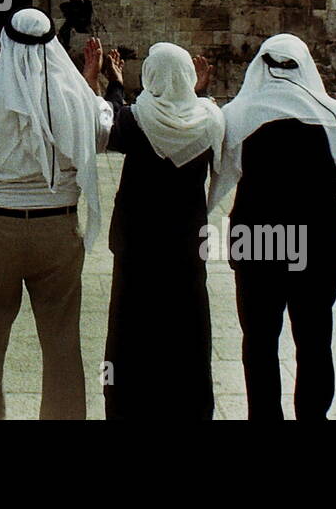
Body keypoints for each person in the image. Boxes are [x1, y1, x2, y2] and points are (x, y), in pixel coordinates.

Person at [0, 8, 113, 420]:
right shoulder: (75, 93)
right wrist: (91, 86)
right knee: (61, 340)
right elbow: (102, 136)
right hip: (57, 228)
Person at [210, 33, 336, 421]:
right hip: (318, 236)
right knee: (314, 338)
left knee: (259, 339)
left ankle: (264, 416)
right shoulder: (330, 112)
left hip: (260, 235)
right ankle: (313, 415)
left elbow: (227, 171)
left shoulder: (237, 113)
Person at [92, 43, 223, 420]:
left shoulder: (136, 119)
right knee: (188, 321)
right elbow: (208, 142)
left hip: (137, 242)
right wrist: (195, 94)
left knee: (130, 324)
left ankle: (127, 405)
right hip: (185, 241)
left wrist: (115, 82)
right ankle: (190, 405)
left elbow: (110, 124)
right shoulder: (211, 117)